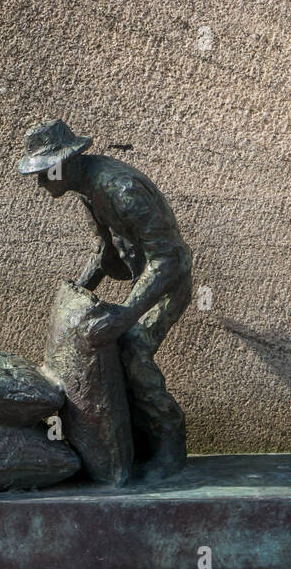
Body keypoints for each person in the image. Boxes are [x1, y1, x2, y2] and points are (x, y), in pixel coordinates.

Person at [19, 119, 191, 479]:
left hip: (167, 280)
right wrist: (77, 292)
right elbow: (105, 252)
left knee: (133, 347)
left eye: (44, 171)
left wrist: (127, 313)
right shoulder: (86, 188)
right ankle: (141, 441)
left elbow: (169, 259)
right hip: (145, 276)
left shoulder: (122, 189)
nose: (39, 182)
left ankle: (170, 444)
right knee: (113, 342)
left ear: (64, 164)